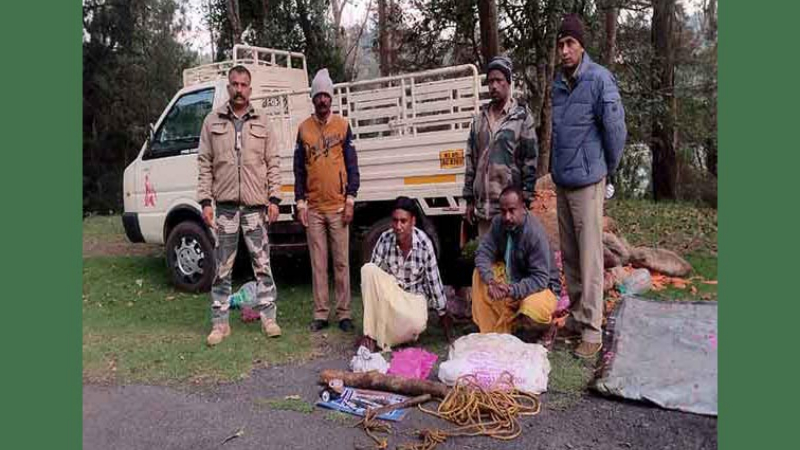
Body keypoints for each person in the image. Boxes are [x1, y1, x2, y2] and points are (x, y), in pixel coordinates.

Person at [550, 14, 627, 358]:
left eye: (570, 44)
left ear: (582, 46)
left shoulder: (599, 79)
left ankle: (593, 330)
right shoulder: (559, 84)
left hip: (588, 182)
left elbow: (615, 131)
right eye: (561, 45)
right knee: (570, 255)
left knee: (591, 256)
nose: (565, 51)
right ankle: (578, 316)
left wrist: (606, 170)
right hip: (563, 181)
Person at [197, 65, 283, 346]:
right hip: (225, 209)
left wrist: (274, 198)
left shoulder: (262, 121)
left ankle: (268, 318)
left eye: (244, 85)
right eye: (235, 84)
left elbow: (273, 162)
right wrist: (205, 201)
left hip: (255, 208)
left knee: (263, 265)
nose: (239, 89)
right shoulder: (212, 121)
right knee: (222, 267)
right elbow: (204, 164)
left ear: (250, 88)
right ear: (228, 87)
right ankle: (220, 323)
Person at [294, 69, 360, 333]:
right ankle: (321, 314)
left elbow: (352, 166)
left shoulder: (342, 126)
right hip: (314, 209)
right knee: (318, 264)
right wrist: (300, 203)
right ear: (313, 99)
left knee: (341, 262)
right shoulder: (303, 129)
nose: (322, 100)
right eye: (318, 95)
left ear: (331, 98)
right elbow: (299, 170)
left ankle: (344, 313)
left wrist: (350, 199)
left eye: (326, 95)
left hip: (338, 207)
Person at [358, 197, 453, 351]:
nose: (398, 226)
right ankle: (370, 335)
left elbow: (434, 282)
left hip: (413, 300)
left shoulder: (424, 244)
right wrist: (370, 315)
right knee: (368, 269)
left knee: (418, 324)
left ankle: (385, 334)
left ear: (413, 221)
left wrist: (444, 316)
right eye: (395, 221)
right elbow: (372, 283)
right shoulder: (385, 238)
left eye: (403, 221)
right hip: (391, 296)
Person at [463, 55, 539, 236]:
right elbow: (471, 159)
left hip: (510, 211)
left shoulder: (521, 117)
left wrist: (526, 199)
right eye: (490, 81)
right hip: (485, 210)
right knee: (487, 253)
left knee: (513, 253)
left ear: (508, 82)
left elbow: (530, 160)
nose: (494, 86)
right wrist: (469, 200)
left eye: (499, 80)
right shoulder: (479, 120)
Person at [472, 186, 562, 335]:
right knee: (479, 275)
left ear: (523, 208)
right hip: (512, 278)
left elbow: (540, 279)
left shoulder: (534, 233)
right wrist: (491, 282)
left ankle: (540, 331)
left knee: (531, 310)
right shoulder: (498, 222)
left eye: (512, 210)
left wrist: (511, 290)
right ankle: (491, 331)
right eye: (503, 211)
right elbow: (483, 252)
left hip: (542, 288)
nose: (507, 217)